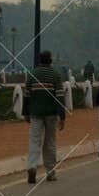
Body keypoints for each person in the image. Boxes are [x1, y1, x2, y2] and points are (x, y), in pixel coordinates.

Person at [25, 50, 66, 184]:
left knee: (34, 140)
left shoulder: (32, 74)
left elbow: (26, 95)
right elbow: (60, 96)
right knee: (50, 142)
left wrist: (26, 113)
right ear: (50, 60)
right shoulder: (55, 74)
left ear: (39, 60)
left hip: (35, 113)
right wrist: (62, 116)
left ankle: (32, 167)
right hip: (51, 113)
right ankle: (50, 172)